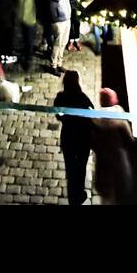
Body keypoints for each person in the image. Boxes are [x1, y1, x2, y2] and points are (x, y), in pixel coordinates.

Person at [53, 69, 94, 205]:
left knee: (70, 169)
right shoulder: (83, 98)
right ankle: (79, 193)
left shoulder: (61, 97)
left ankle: (73, 198)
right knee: (81, 168)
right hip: (83, 137)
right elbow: (91, 115)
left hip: (68, 136)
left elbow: (58, 115)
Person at [90, 88, 134, 205]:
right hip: (118, 157)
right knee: (120, 186)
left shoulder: (95, 117)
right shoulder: (119, 116)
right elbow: (129, 138)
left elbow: (93, 140)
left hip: (103, 159)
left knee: (106, 193)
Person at [47, 0, 73, 70]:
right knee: (57, 43)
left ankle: (59, 63)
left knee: (63, 42)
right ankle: (53, 65)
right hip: (58, 20)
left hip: (66, 17)